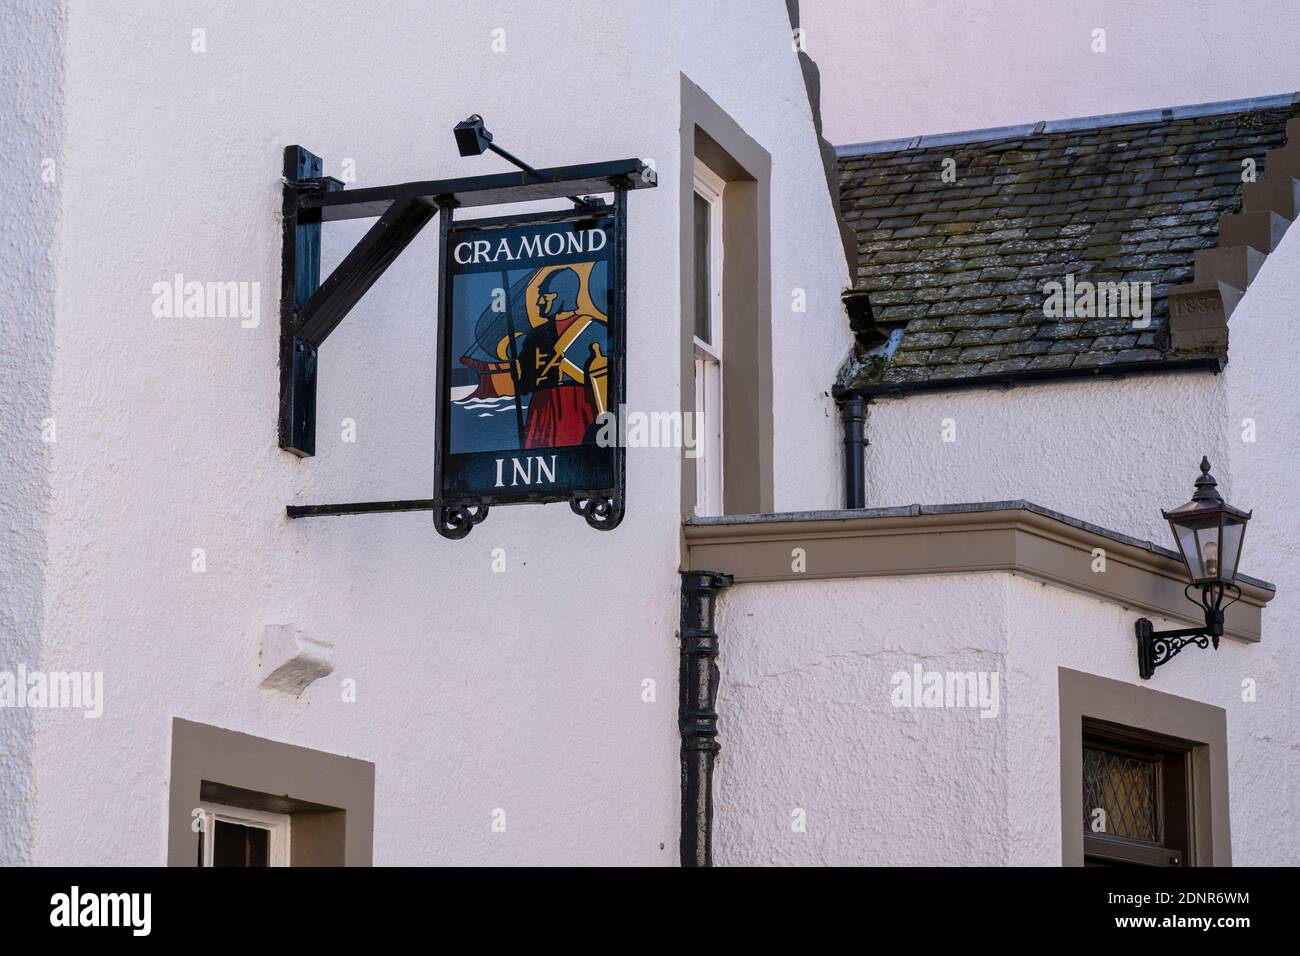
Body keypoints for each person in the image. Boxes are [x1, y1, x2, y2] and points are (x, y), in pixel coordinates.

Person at [515, 268, 605, 448]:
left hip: (580, 409)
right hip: (542, 411)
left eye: (545, 296)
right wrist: (517, 372)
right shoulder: (535, 337)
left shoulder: (596, 329)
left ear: (562, 295)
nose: (539, 302)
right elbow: (525, 386)